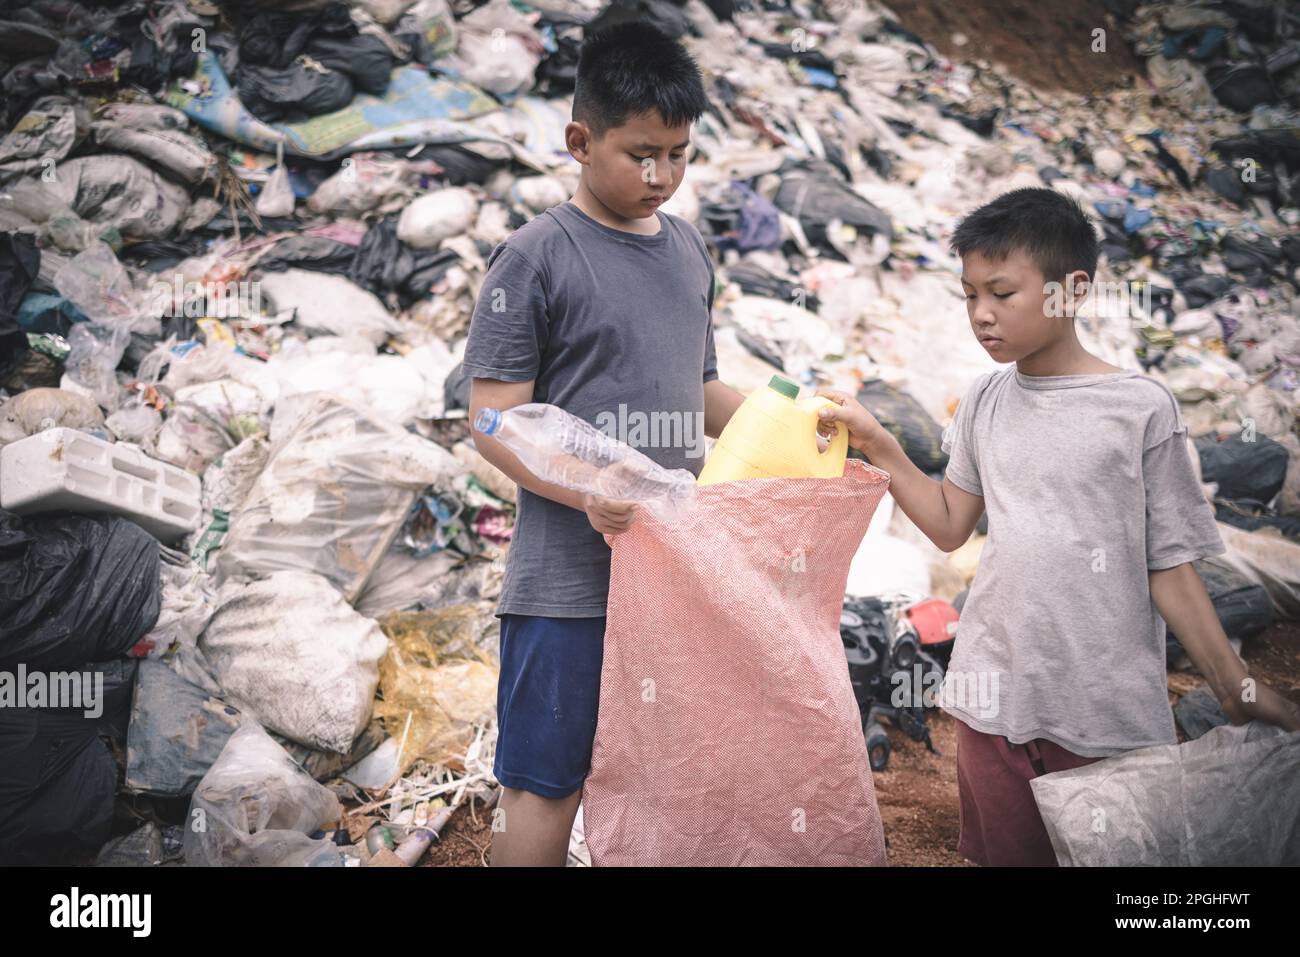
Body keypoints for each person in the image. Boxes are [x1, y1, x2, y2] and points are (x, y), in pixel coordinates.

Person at [816, 187, 1300, 866]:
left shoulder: (1138, 411)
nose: (981, 315)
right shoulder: (985, 397)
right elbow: (952, 525)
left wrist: (1234, 685)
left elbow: (1170, 567)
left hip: (1102, 709)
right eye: (968, 295)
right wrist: (879, 443)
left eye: (1001, 292)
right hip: (994, 696)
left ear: (1070, 291)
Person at [463, 21, 745, 866]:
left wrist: (799, 426)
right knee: (544, 782)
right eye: (640, 153)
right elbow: (489, 417)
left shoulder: (690, 250)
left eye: (680, 154)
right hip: (567, 584)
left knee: (663, 774)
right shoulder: (537, 257)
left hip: (672, 575)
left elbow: (698, 391)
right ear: (580, 141)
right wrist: (586, 493)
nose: (662, 175)